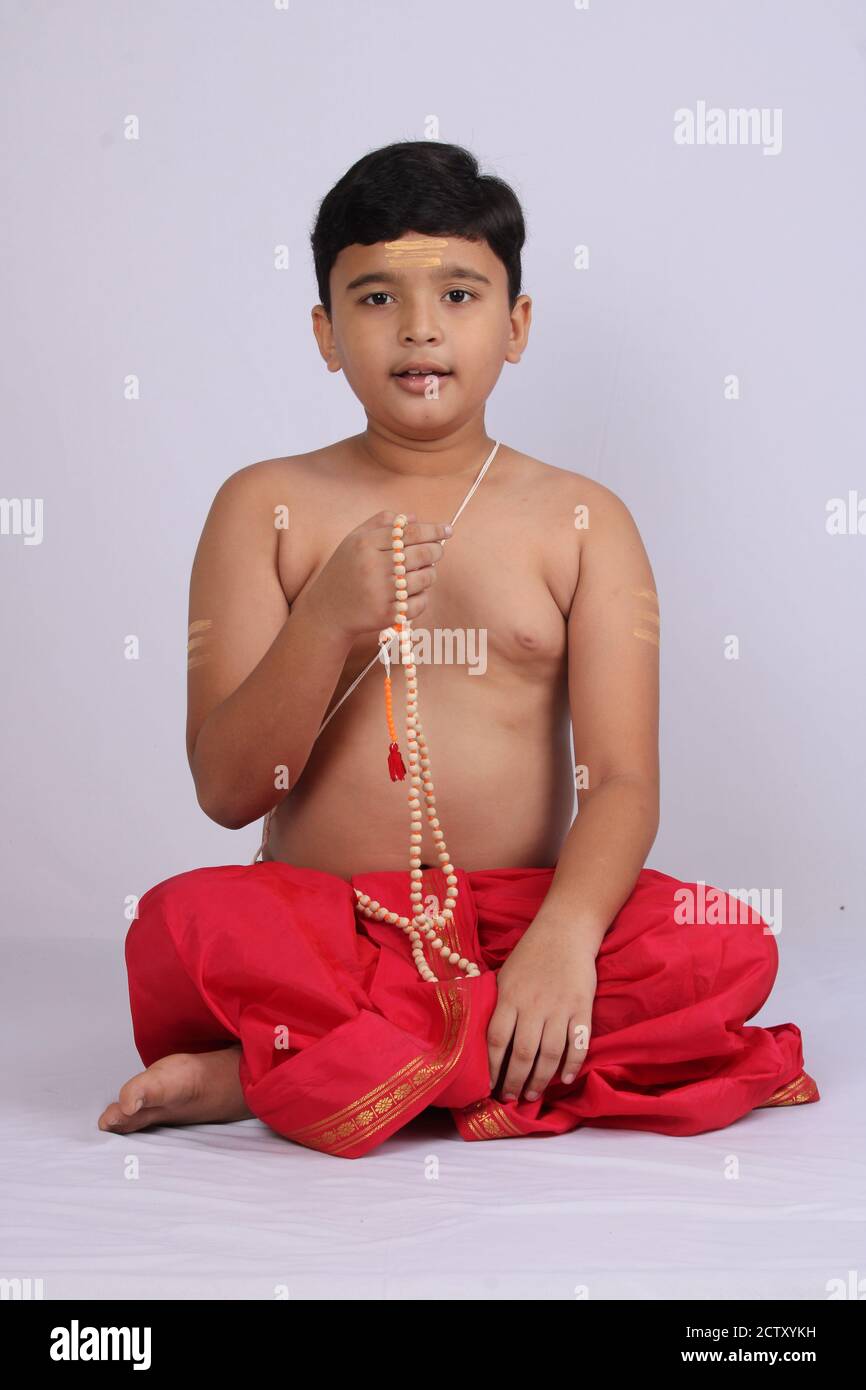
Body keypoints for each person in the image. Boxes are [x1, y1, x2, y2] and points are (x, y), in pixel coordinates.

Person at [97, 140, 818, 1158]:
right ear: (324, 331)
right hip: (329, 923)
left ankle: (275, 1070)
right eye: (376, 297)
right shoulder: (264, 506)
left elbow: (619, 781)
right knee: (181, 924)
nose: (420, 327)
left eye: (460, 294)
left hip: (525, 916)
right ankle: (464, 1049)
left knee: (722, 942)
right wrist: (326, 619)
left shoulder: (581, 519)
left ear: (515, 326)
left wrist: (565, 939)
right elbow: (228, 791)